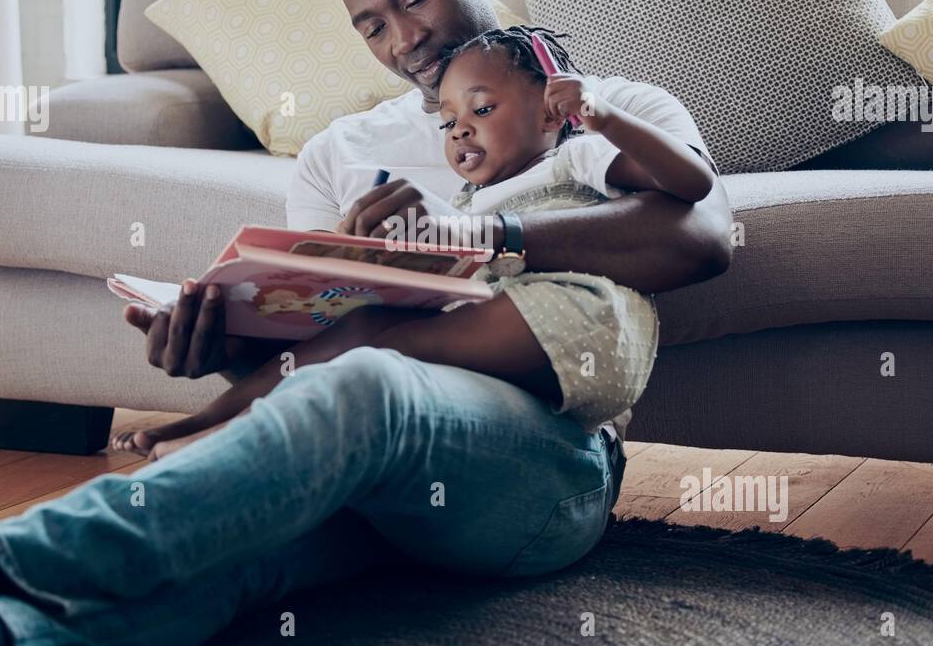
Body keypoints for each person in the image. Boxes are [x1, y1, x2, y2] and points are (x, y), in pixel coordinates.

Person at [0, 0, 733, 646]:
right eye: (372, 22)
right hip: (369, 474)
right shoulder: (343, 154)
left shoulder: (596, 103)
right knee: (241, 554)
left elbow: (699, 237)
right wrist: (222, 339)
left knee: (371, 384)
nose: (404, 35)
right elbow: (311, 328)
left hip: (542, 473)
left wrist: (482, 228)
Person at [110, 26, 716, 461]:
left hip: (579, 317)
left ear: (551, 114)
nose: (462, 130)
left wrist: (602, 115)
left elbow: (691, 183)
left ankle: (227, 433)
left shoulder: (579, 152)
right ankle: (209, 420)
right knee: (362, 333)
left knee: (374, 347)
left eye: (482, 108)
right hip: (523, 334)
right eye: (450, 121)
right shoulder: (467, 199)